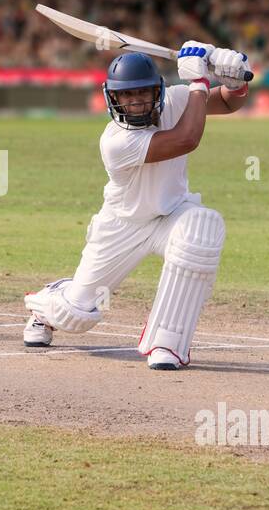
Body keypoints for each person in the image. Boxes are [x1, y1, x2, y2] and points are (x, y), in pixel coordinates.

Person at [23, 43, 251, 370]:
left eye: (143, 93)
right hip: (122, 226)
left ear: (157, 90)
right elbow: (186, 139)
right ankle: (45, 304)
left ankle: (167, 344)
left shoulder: (174, 99)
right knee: (76, 315)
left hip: (171, 214)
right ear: (113, 99)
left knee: (203, 226)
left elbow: (228, 104)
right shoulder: (115, 142)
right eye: (127, 96)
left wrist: (233, 80)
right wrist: (199, 82)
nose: (135, 101)